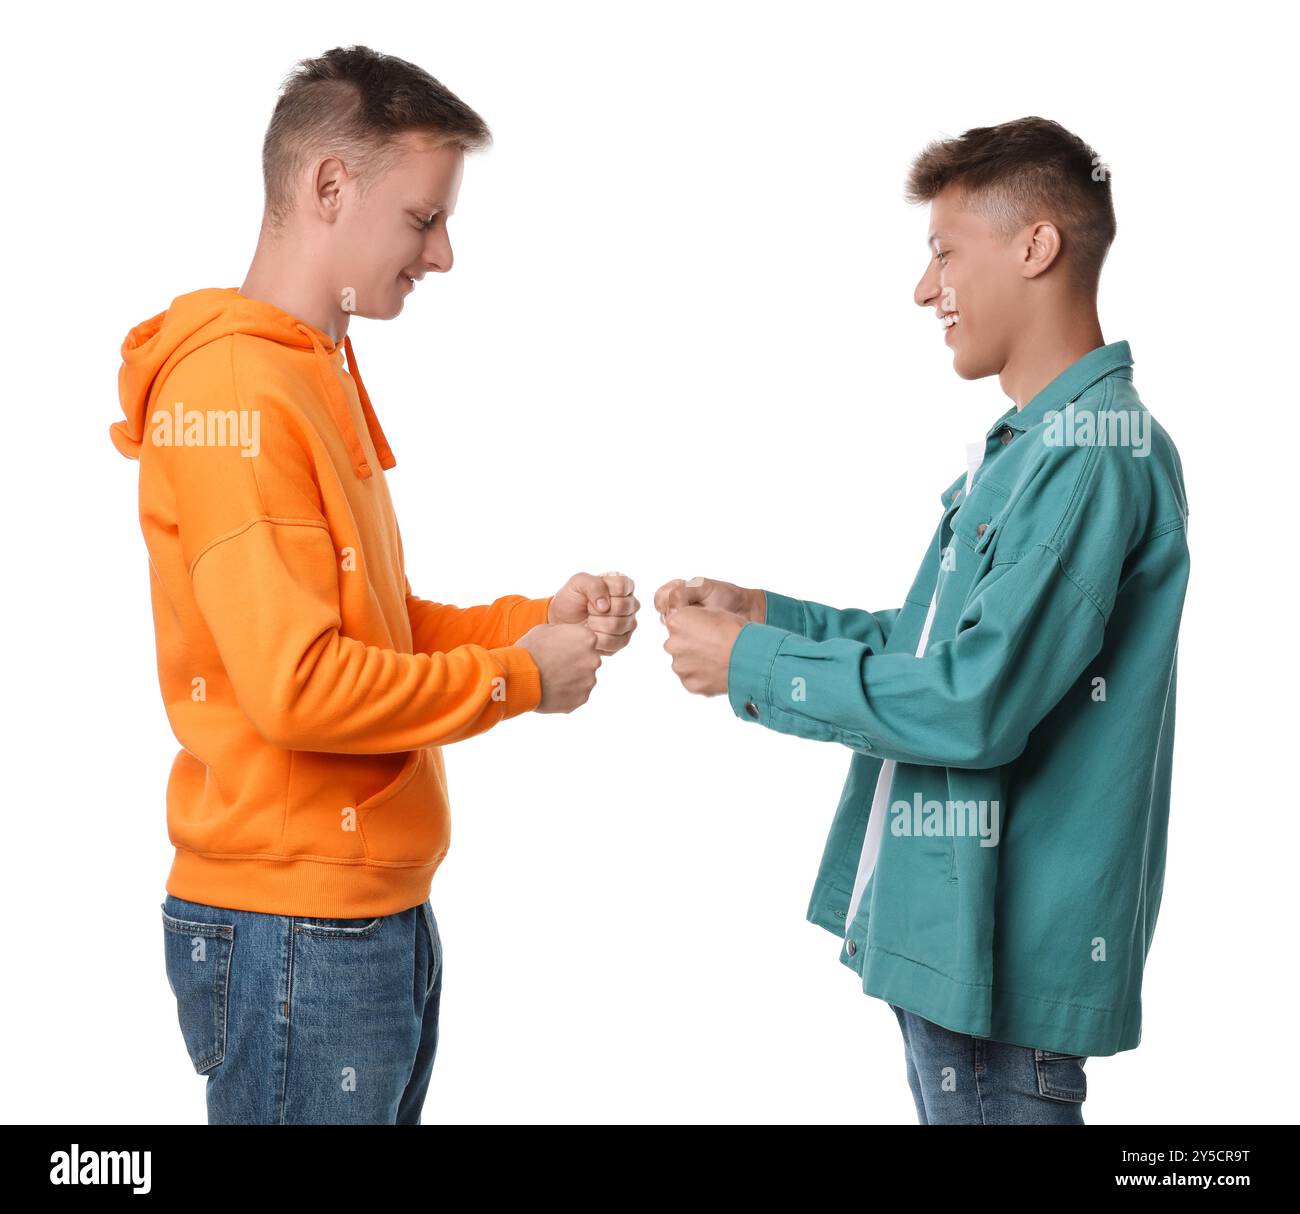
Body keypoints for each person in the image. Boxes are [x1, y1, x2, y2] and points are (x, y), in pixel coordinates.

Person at [110, 45, 639, 1125]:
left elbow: (374, 628)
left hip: (358, 917)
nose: (443, 253)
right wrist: (516, 679)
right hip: (298, 927)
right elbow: (298, 686)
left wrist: (533, 622)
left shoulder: (307, 368)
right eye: (422, 218)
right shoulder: (234, 390)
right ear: (329, 187)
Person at [658, 116, 1189, 1125]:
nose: (921, 287)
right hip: (960, 968)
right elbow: (933, 652)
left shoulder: (1089, 454)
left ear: (1035, 246)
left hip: (997, 987)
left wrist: (754, 664)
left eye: (944, 251)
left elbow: (973, 703)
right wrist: (765, 617)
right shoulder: (1036, 446)